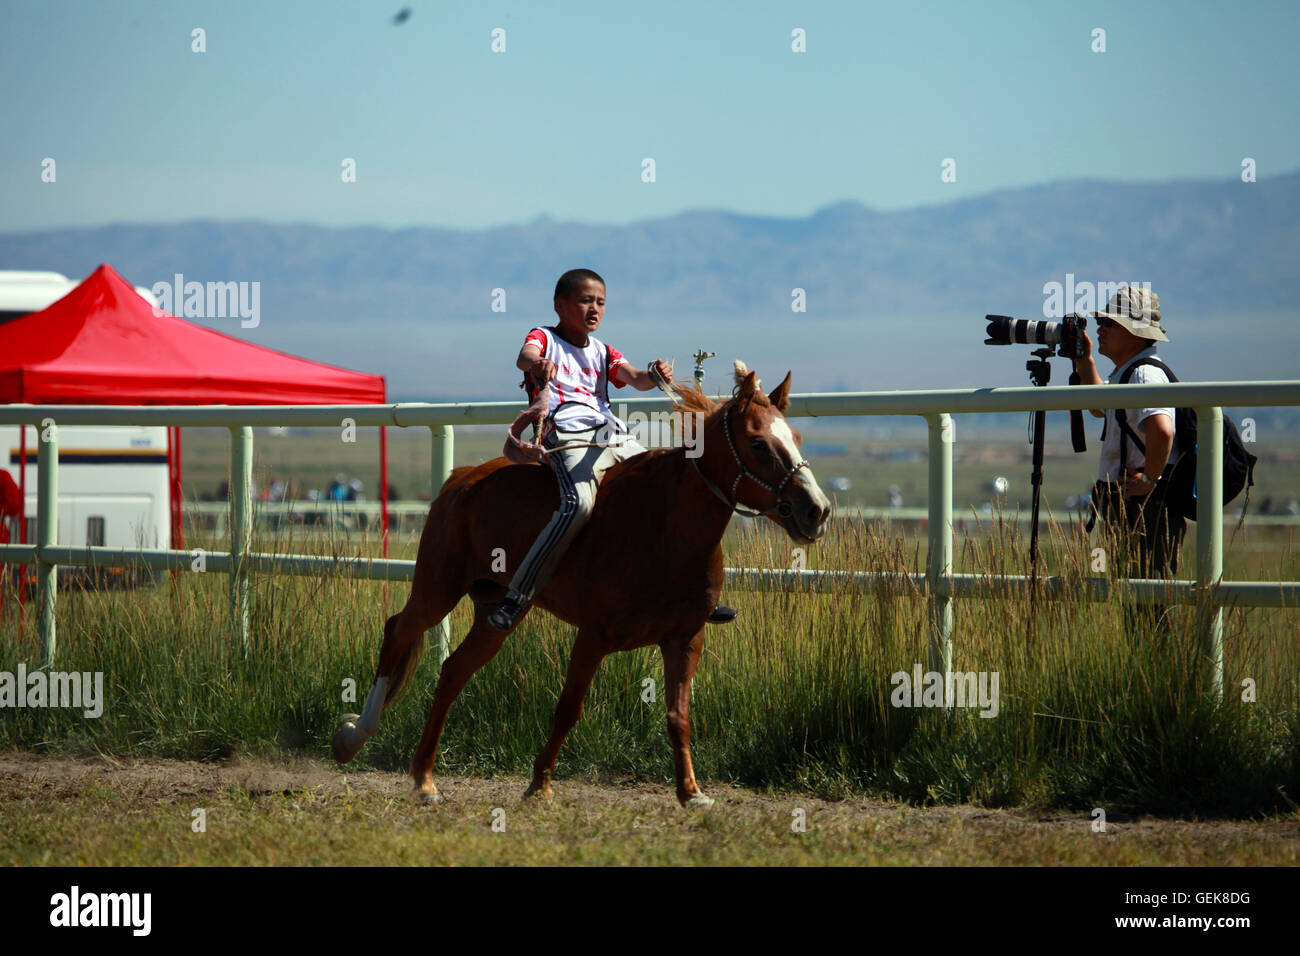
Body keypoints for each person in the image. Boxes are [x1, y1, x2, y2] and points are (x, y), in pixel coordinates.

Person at [487, 268, 735, 631]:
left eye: (600, 302)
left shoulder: (603, 351)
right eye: (585, 300)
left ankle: (688, 589)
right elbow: (524, 357)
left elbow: (634, 377)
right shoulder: (544, 337)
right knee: (578, 506)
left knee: (667, 489)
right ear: (560, 305)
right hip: (568, 435)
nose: (594, 309)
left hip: (611, 433)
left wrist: (655, 374)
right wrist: (537, 363)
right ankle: (517, 596)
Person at [1071, 286, 1184, 631]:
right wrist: (1084, 360)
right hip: (1134, 504)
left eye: (1109, 323)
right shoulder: (1129, 372)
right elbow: (1097, 407)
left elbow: (1162, 430)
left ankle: (1160, 677)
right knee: (1137, 605)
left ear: (1134, 332)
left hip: (1147, 507)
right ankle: (1154, 674)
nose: (1100, 328)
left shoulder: (1145, 374)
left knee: (1147, 610)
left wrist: (1150, 479)